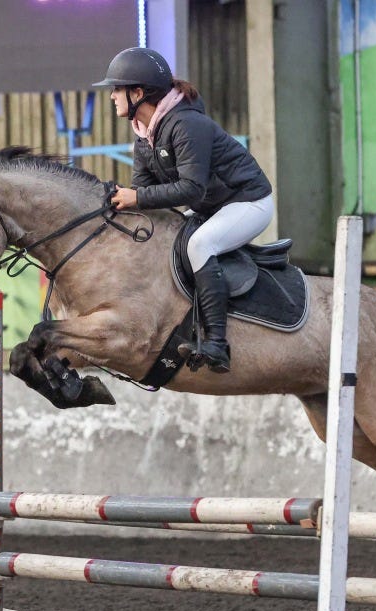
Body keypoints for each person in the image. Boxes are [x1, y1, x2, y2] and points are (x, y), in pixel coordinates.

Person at [93, 47, 274, 373]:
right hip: (212, 208)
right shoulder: (144, 137)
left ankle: (217, 344)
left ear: (138, 93)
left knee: (200, 245)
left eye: (117, 89)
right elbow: (143, 192)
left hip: (248, 202)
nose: (112, 97)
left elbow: (191, 189)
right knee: (166, 241)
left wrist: (136, 197)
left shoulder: (187, 124)